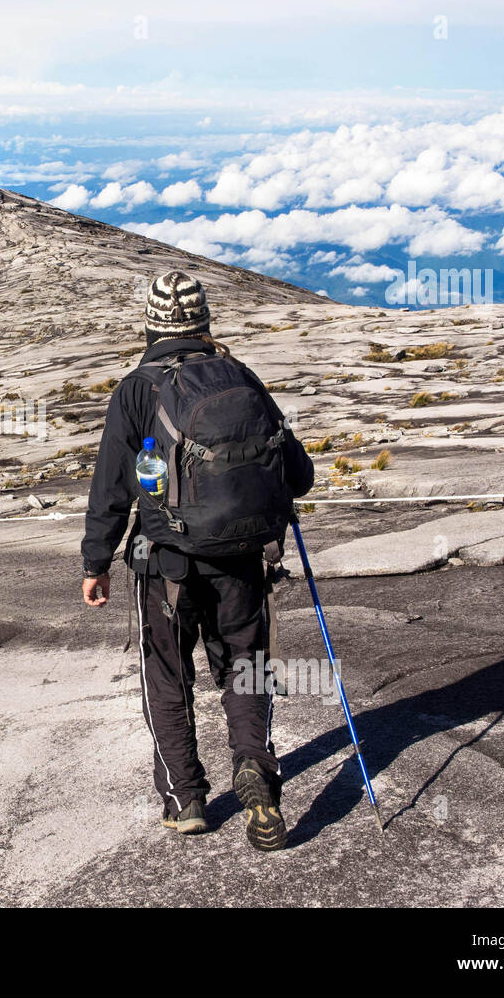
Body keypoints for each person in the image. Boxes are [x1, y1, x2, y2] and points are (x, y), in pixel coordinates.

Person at [81, 271, 314, 850]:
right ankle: (255, 769)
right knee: (245, 664)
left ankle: (185, 797)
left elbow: (111, 486)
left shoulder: (137, 388)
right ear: (205, 322)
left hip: (164, 561)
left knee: (166, 674)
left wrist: (96, 562)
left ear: (152, 324)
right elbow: (300, 475)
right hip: (242, 557)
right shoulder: (241, 376)